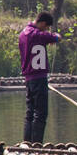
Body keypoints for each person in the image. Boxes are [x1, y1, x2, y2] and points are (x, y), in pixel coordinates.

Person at [19, 12, 60, 143]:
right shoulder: (37, 34)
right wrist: (57, 36)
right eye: (46, 27)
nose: (46, 29)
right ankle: (36, 143)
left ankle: (27, 142)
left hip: (28, 79)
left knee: (30, 112)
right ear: (42, 23)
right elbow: (55, 38)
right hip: (39, 77)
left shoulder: (22, 34)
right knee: (40, 113)